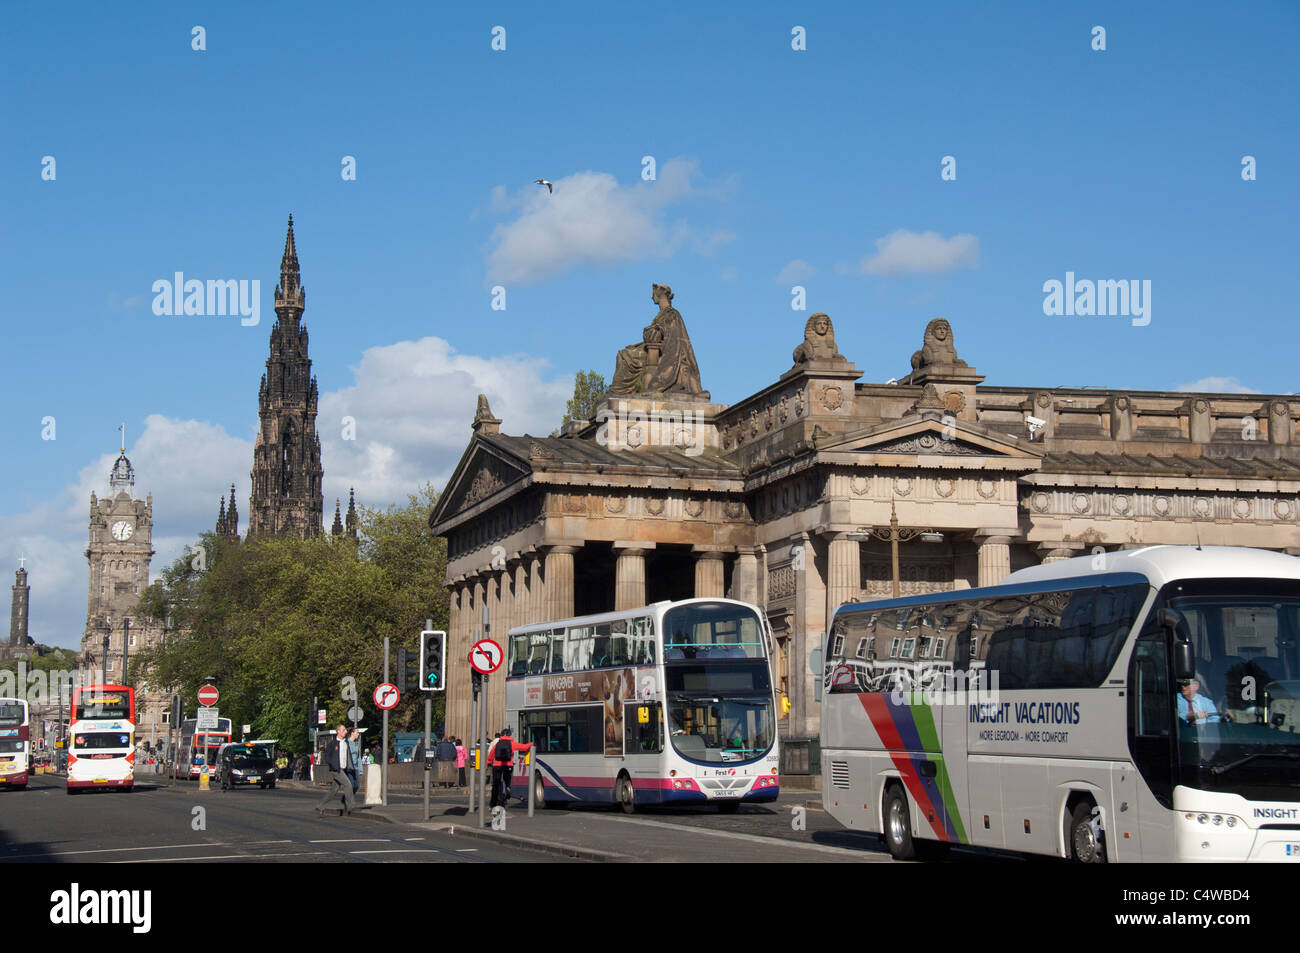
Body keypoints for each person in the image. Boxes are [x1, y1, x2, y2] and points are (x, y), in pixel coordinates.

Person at [316, 724, 356, 816]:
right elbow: (326, 755)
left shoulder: (346, 742)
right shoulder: (333, 743)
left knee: (333, 790)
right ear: (338, 731)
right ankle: (351, 805)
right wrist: (333, 765)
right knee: (348, 784)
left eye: (345, 730)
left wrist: (350, 767)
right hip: (336, 770)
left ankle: (320, 805)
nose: (345, 731)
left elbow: (348, 756)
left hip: (343, 768)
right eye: (343, 730)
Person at [490, 727, 534, 809]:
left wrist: (489, 762)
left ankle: (493, 804)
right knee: (507, 779)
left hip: (497, 766)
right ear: (510, 735)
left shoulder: (498, 744)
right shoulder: (512, 743)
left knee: (496, 784)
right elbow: (524, 747)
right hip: (508, 765)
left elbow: (491, 754)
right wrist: (531, 744)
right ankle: (508, 787)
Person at [346, 728, 362, 795]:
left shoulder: (356, 744)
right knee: (351, 785)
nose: (358, 734)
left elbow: (358, 757)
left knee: (357, 786)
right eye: (357, 732)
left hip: (355, 768)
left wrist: (360, 770)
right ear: (352, 733)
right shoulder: (347, 743)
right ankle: (348, 799)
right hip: (349, 767)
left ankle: (348, 797)